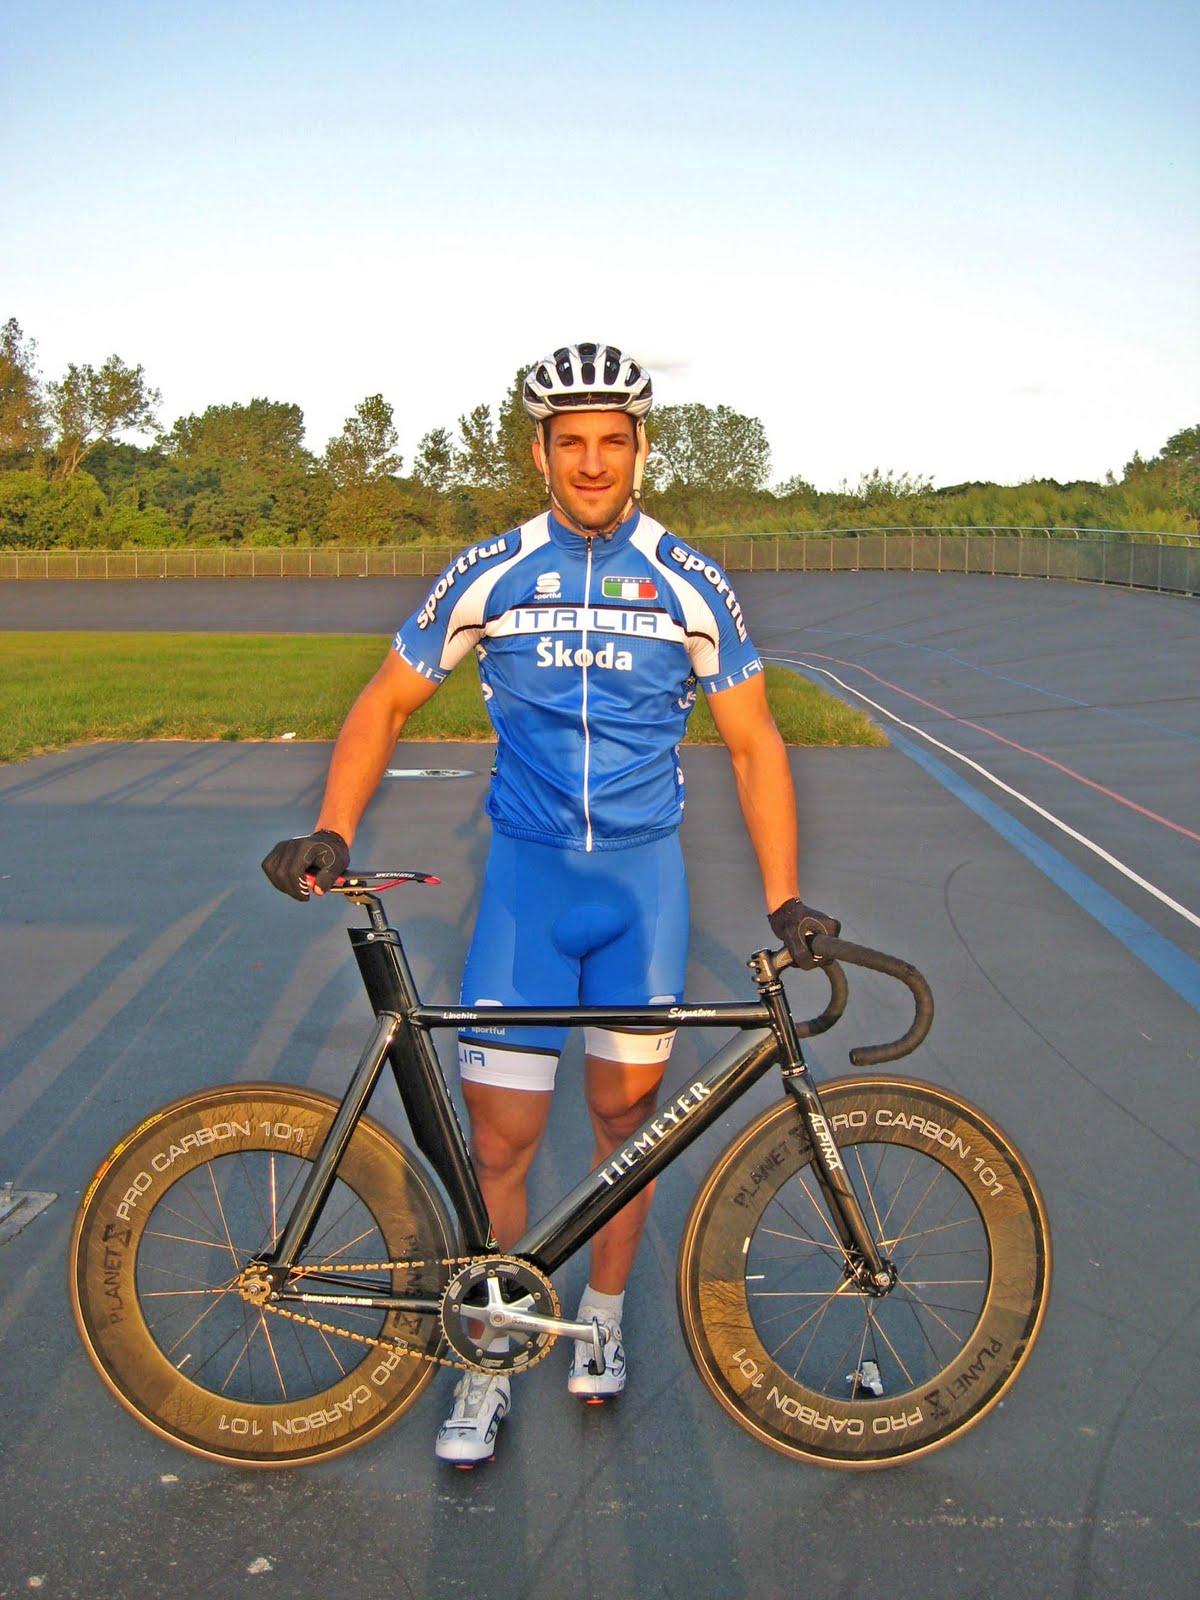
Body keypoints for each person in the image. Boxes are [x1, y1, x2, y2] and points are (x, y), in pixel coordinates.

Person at [262, 342, 839, 1466]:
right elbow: (384, 701)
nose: (591, 460)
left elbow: (756, 742)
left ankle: (605, 1324)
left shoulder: (687, 577)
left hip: (642, 890)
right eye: (569, 441)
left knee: (629, 1131)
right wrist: (335, 822)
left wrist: (785, 898)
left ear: (638, 449)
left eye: (611, 440)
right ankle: (491, 1345)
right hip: (527, 890)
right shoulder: (489, 570)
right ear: (537, 451)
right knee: (503, 1143)